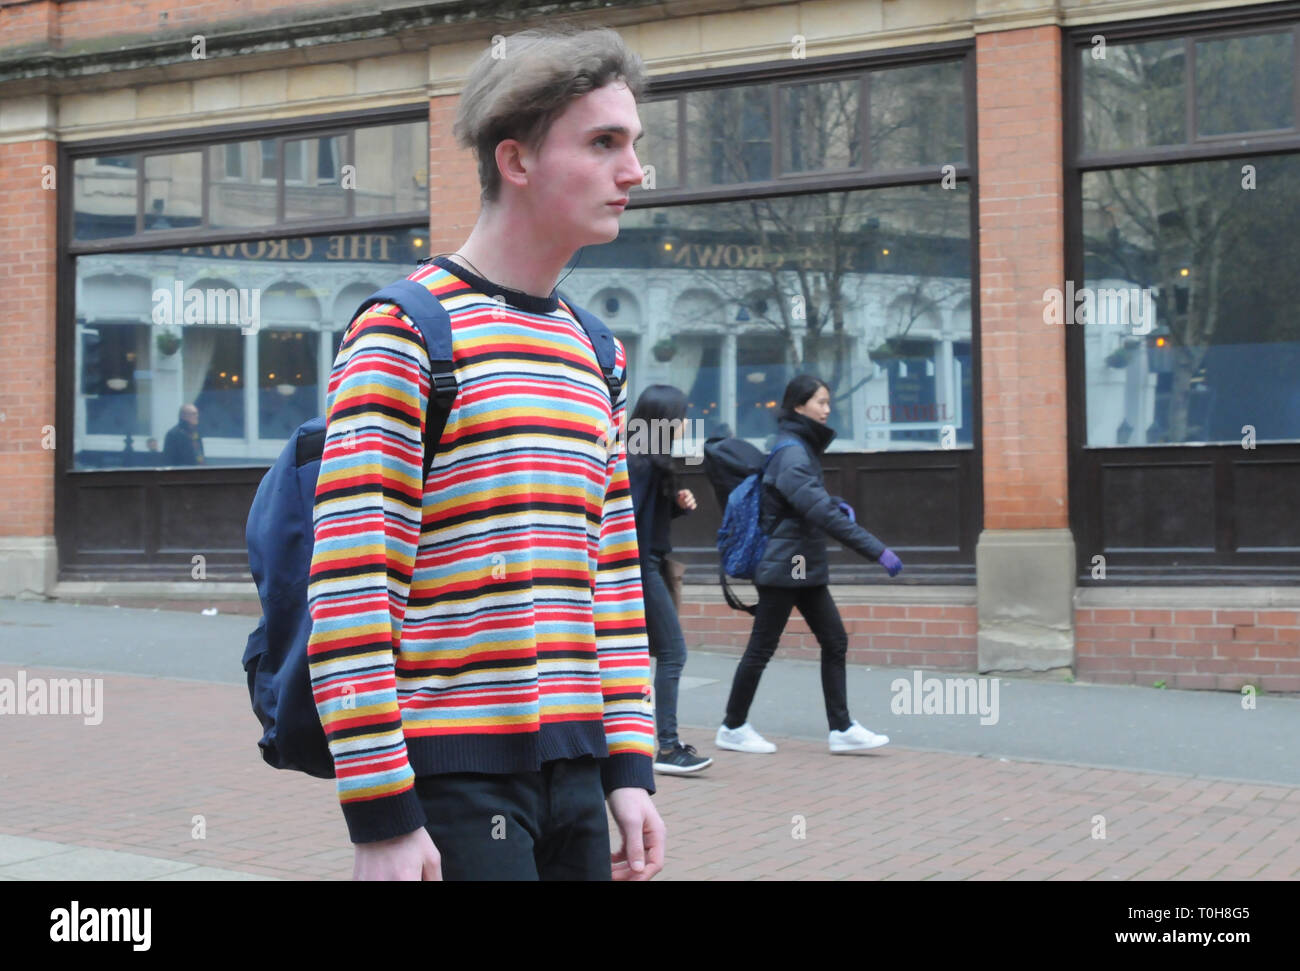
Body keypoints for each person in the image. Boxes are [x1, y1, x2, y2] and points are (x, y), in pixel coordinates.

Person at [305, 25, 664, 880]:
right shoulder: (405, 333)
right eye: (604, 143)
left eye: (635, 144)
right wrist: (382, 816)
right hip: (452, 775)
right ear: (516, 160)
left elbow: (609, 571)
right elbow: (353, 587)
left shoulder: (597, 350)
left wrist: (629, 767)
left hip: (576, 769)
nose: (634, 172)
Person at [717, 374, 904, 756]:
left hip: (799, 564)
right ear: (799, 406)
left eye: (828, 401)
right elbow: (817, 511)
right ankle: (732, 726)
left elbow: (807, 502)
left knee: (834, 640)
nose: (827, 409)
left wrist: (833, 503)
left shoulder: (797, 448)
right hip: (784, 566)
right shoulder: (792, 452)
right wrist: (876, 551)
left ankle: (841, 728)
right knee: (762, 648)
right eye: (820, 401)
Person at [626, 384, 711, 775]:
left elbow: (643, 520)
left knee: (642, 654)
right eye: (680, 417)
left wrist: (675, 507)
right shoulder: (639, 463)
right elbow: (624, 524)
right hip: (641, 567)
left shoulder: (648, 459)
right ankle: (668, 747)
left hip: (649, 564)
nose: (684, 424)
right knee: (673, 652)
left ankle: (637, 741)